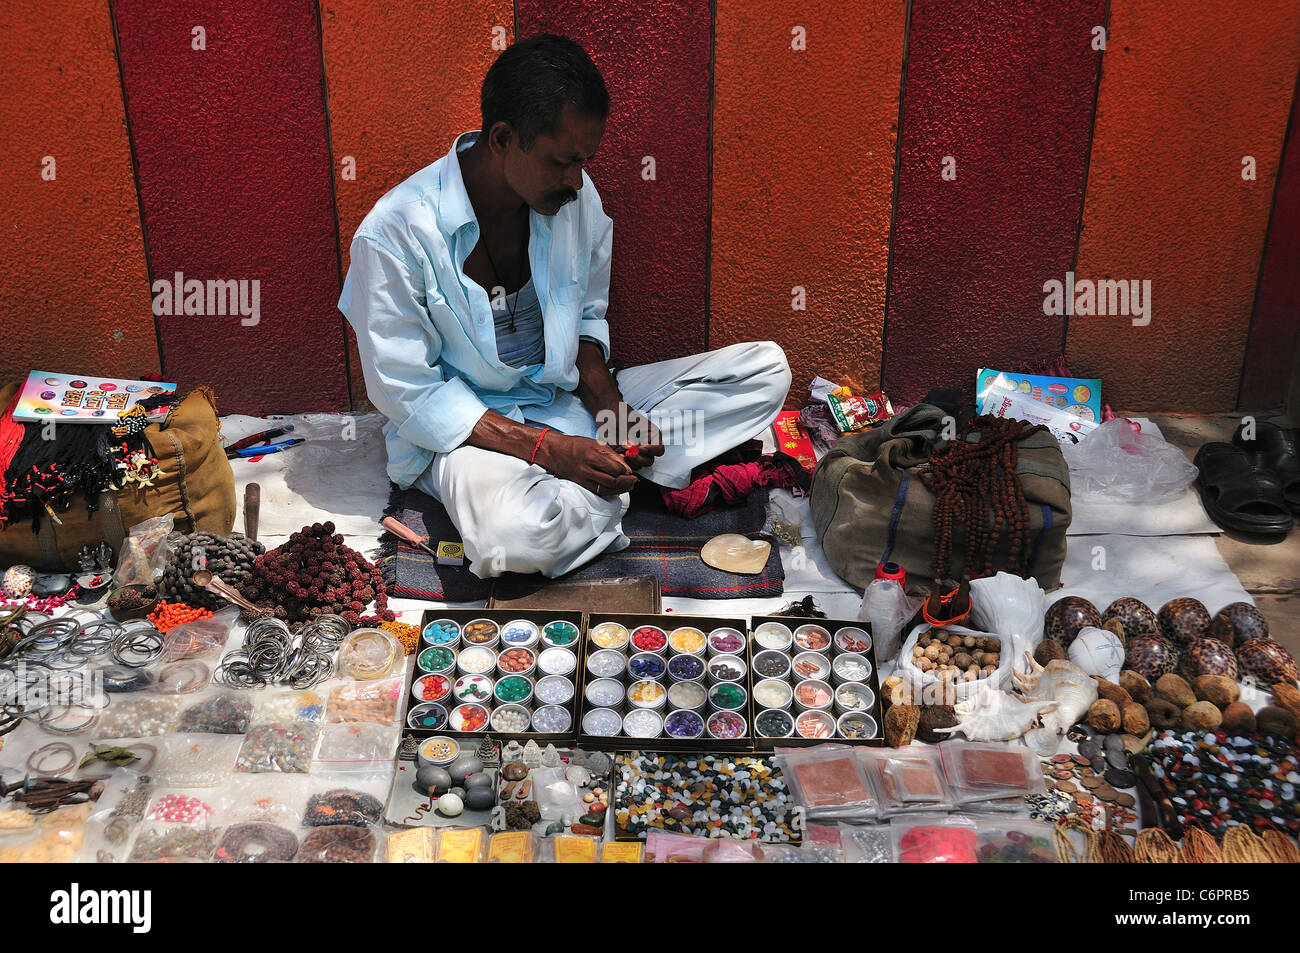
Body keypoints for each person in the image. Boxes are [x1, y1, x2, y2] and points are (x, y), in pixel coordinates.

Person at [340, 34, 790, 578]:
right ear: (504, 138)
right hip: (471, 431)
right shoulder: (395, 234)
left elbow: (585, 319)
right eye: (562, 162)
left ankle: (603, 477)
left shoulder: (574, 197)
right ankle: (610, 488)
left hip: (563, 397)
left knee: (764, 371)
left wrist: (612, 411)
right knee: (519, 540)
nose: (576, 181)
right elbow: (407, 392)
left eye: (584, 161)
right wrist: (554, 451)